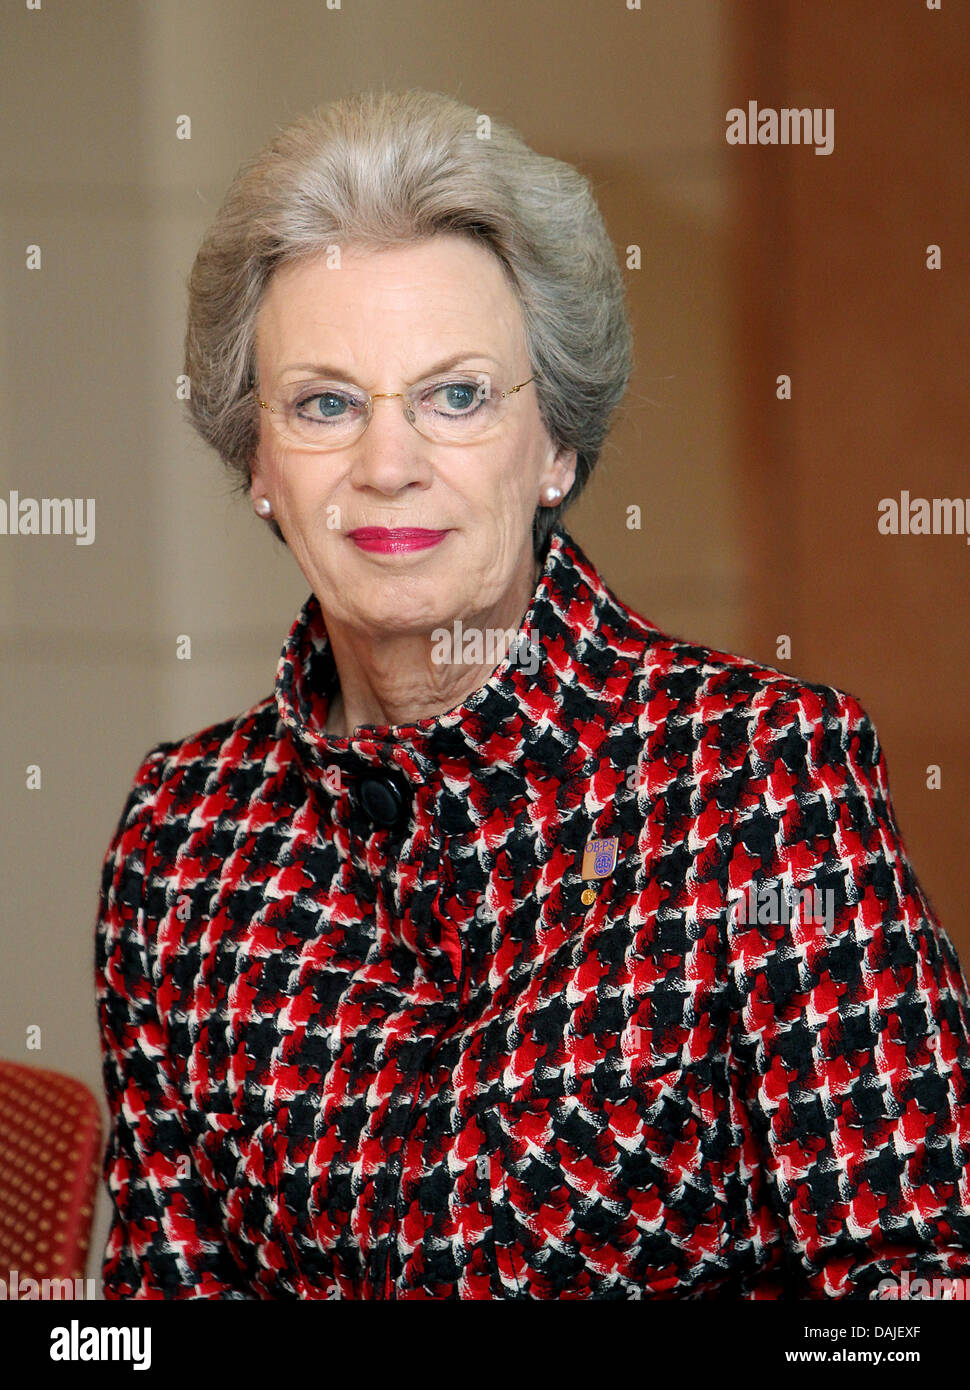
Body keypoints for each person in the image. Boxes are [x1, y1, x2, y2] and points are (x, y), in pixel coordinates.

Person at [95, 87, 970, 1300]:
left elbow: (916, 1288)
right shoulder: (184, 835)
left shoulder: (761, 772)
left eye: (455, 396)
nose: (388, 463)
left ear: (555, 444)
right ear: (257, 461)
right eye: (325, 403)